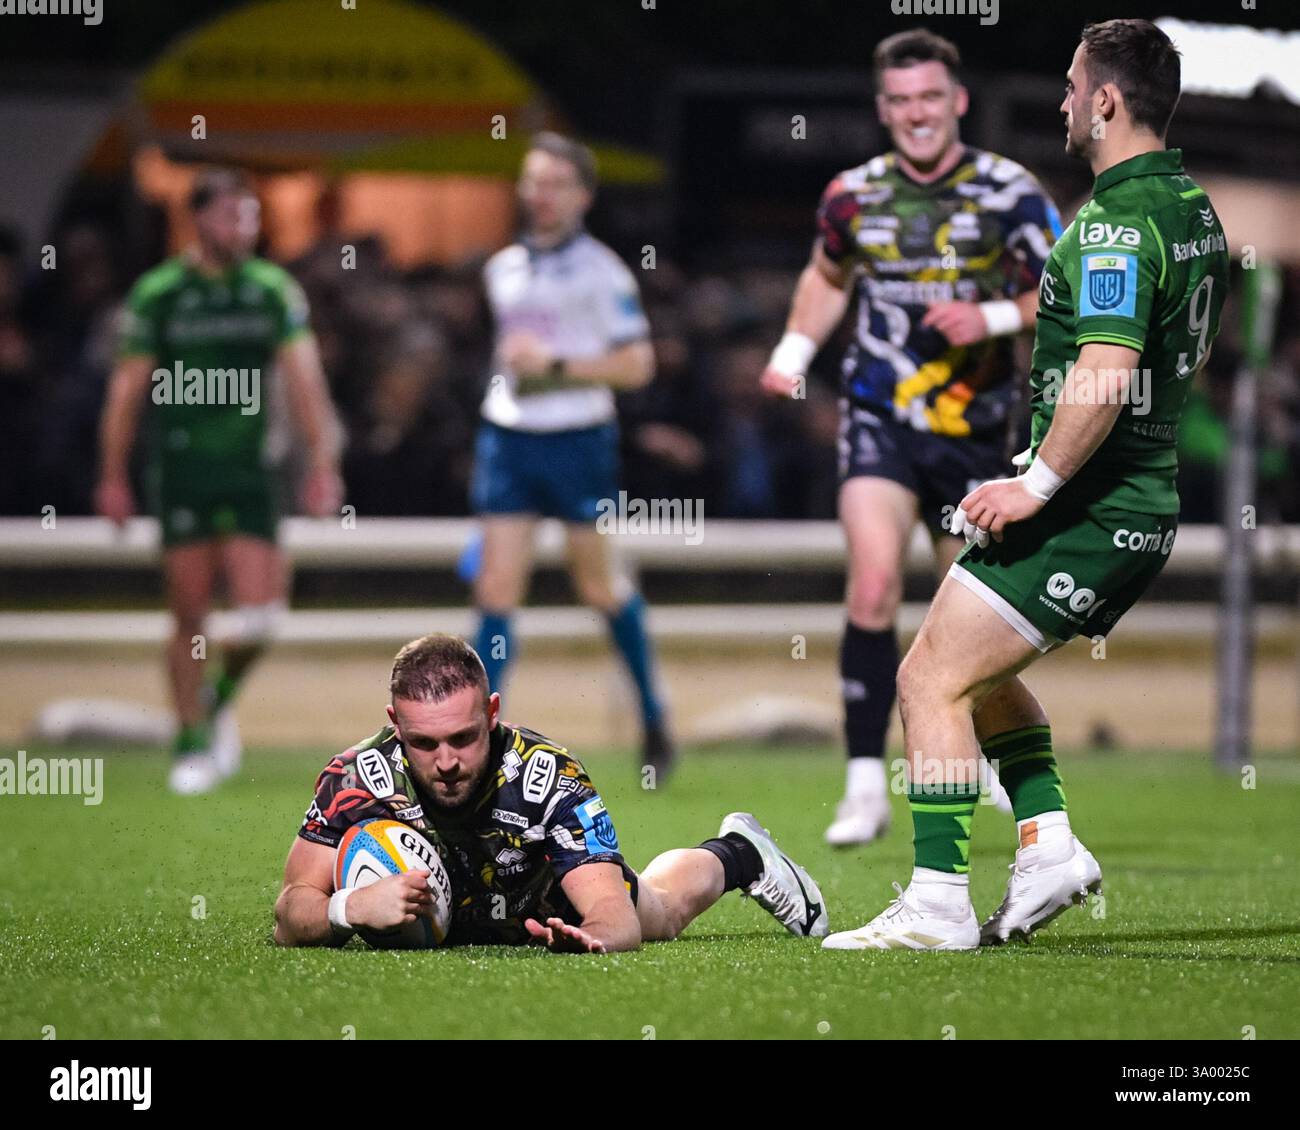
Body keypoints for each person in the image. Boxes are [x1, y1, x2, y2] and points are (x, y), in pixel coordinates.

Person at [823, 19, 1228, 950]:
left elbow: (1106, 369)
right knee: (982, 675)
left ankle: (937, 906)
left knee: (929, 678)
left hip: (1092, 503)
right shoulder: (1189, 205)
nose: (1064, 102)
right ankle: (1047, 847)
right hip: (1130, 495)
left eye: (1074, 86)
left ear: (1107, 102)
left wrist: (1037, 483)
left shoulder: (1116, 222)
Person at [761, 29, 1059, 845]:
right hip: (880, 419)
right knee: (872, 585)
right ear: (882, 109)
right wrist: (792, 354)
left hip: (975, 432)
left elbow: (1061, 292)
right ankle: (865, 785)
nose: (917, 114)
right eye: (900, 101)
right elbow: (827, 275)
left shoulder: (1009, 192)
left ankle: (996, 763)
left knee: (973, 618)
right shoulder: (852, 194)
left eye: (930, 97)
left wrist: (989, 316)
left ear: (958, 101)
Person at [274, 634, 828, 951]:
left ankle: (739, 853)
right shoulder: (354, 780)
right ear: (395, 724)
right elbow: (290, 915)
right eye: (424, 743)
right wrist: (349, 907)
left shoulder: (548, 778)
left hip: (544, 903)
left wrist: (590, 938)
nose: (445, 763)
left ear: (492, 713)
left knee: (659, 911)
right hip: (454, 913)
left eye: (463, 738)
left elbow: (615, 917)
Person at [95, 168, 343, 795]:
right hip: (183, 471)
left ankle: (212, 701)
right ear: (199, 218)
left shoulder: (269, 290)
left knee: (261, 619)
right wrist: (112, 475)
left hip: (252, 470)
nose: (245, 228)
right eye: (233, 215)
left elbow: (305, 380)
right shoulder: (160, 293)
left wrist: (323, 463)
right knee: (190, 616)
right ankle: (190, 744)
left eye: (251, 216)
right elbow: (126, 389)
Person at [469, 133, 675, 780]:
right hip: (508, 436)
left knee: (599, 587)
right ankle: (478, 738)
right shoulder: (502, 267)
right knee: (496, 588)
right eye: (534, 180)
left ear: (583, 195)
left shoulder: (603, 272)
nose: (543, 194)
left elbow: (638, 365)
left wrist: (555, 365)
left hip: (579, 440)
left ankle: (653, 715)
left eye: (557, 183)